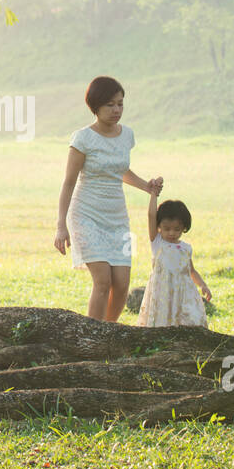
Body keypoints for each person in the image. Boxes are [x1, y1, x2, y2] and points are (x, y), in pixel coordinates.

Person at [54, 76, 162, 322]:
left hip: (117, 218)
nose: (116, 110)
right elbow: (69, 182)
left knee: (122, 284)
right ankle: (93, 336)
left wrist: (148, 186)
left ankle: (109, 333)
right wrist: (61, 226)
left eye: (120, 104)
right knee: (103, 282)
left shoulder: (127, 135)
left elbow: (120, 169)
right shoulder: (82, 138)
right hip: (86, 215)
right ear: (95, 106)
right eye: (110, 105)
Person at [138, 194, 211, 328]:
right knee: (161, 321)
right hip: (162, 293)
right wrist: (153, 194)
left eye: (177, 229)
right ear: (159, 226)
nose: (171, 233)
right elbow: (151, 215)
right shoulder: (157, 242)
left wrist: (202, 285)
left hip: (182, 294)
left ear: (184, 227)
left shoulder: (186, 248)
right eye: (167, 229)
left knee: (187, 320)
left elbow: (191, 271)